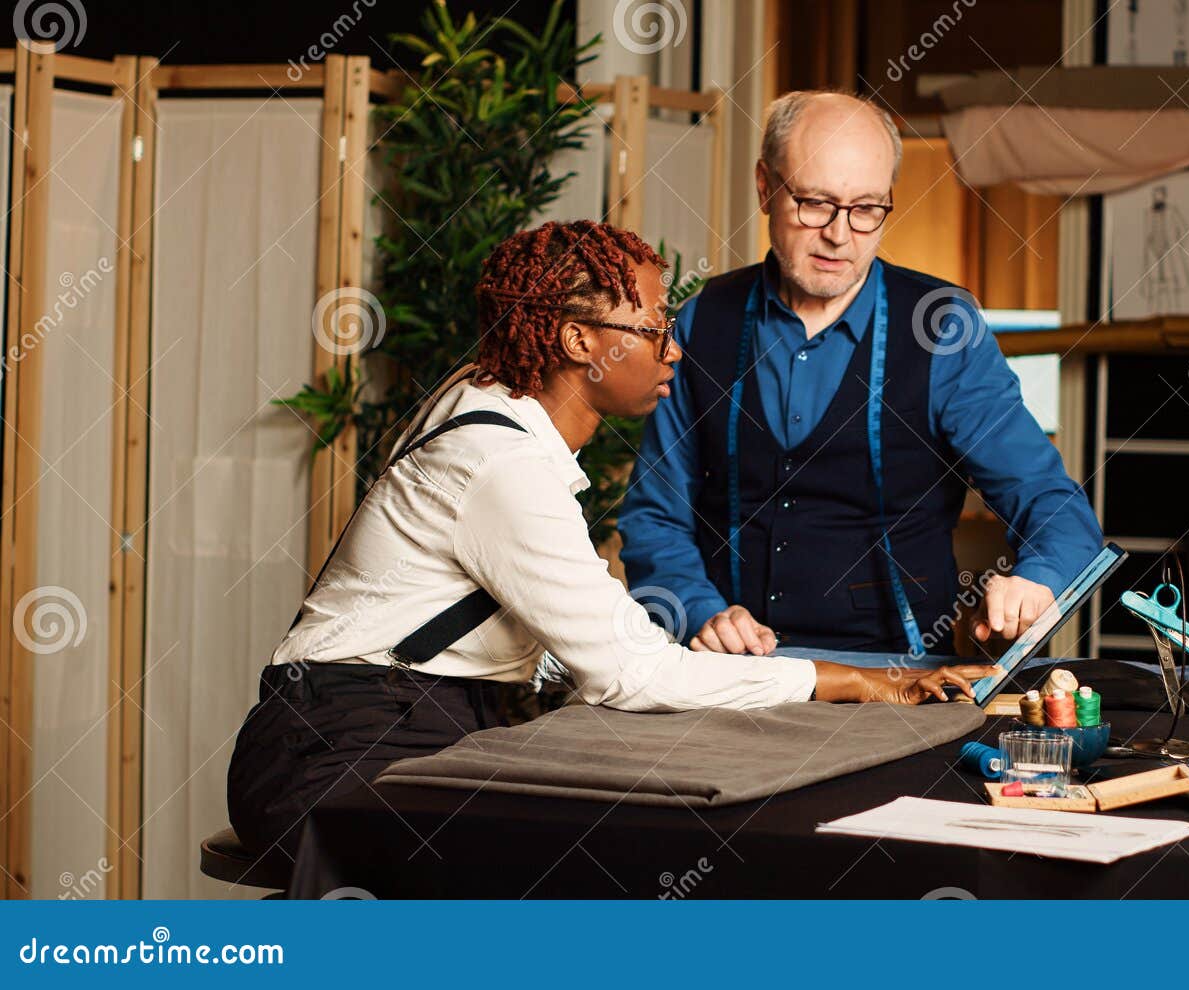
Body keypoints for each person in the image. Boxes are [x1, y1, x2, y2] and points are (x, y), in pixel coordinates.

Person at [226, 220, 999, 863]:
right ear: (576, 341)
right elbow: (629, 673)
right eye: (653, 327)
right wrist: (857, 682)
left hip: (420, 725)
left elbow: (594, 650)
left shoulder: (494, 406)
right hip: (342, 755)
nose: (674, 348)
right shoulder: (502, 462)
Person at [618, 90, 1103, 659]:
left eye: (868, 208)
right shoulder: (707, 317)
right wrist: (700, 611)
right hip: (734, 673)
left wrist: (1037, 582)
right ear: (765, 186)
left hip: (897, 677)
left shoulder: (940, 328)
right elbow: (656, 512)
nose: (840, 235)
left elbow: (1052, 503)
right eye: (816, 203)